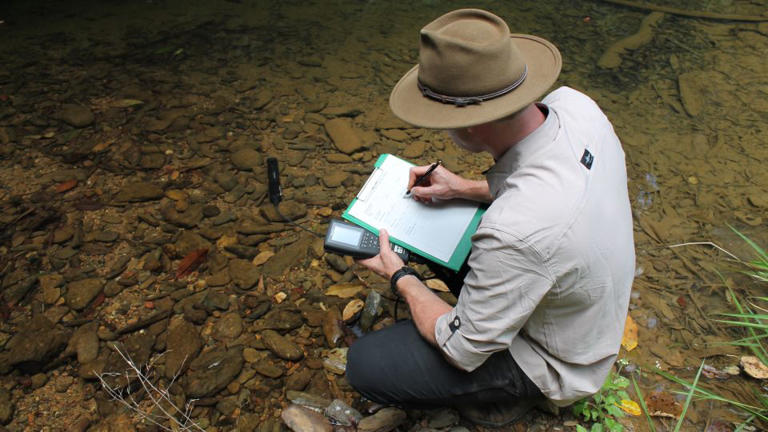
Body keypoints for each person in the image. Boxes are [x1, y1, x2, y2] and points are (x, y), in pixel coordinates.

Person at [345, 8, 635, 426]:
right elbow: (553, 183)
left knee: (365, 365)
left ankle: (508, 399)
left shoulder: (515, 231)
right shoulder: (574, 105)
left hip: (561, 360)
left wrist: (399, 276)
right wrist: (461, 188)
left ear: (469, 127)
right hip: (580, 305)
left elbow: (459, 347)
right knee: (447, 233)